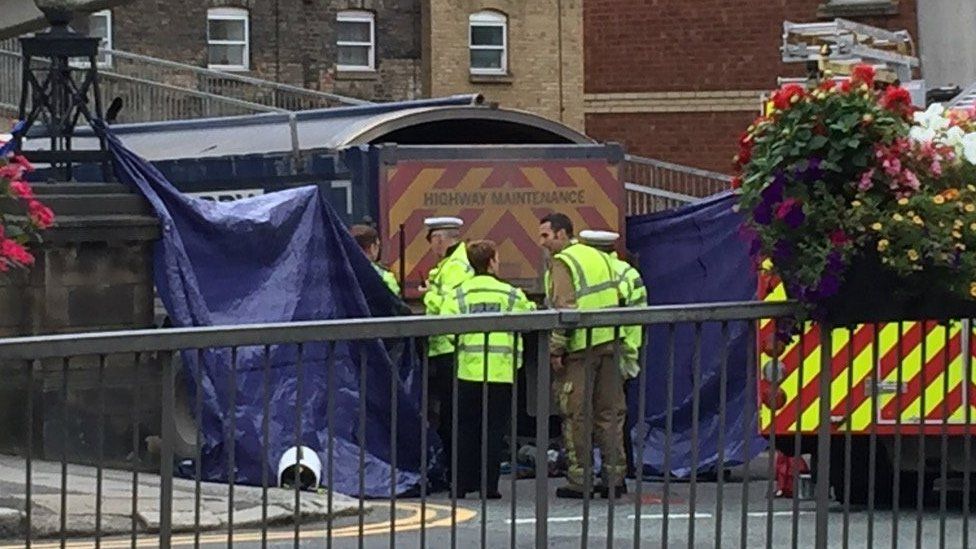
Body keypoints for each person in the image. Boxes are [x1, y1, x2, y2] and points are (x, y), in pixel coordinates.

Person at [441, 240, 535, 498]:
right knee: (493, 431)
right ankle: (489, 487)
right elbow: (529, 319)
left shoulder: (458, 294)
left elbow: (446, 329)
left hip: (468, 373)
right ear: (492, 261)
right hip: (500, 373)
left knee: (465, 430)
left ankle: (459, 486)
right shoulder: (510, 294)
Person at [544, 218, 628, 499]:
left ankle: (581, 480)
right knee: (610, 413)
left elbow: (566, 309)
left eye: (546, 235)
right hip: (609, 343)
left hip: (581, 349)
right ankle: (614, 478)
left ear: (562, 234)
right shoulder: (598, 256)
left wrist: (556, 348)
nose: (542, 242)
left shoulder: (563, 261)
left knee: (576, 414)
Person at [579, 229, 647, 478]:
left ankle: (590, 471)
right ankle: (621, 469)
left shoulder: (590, 271)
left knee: (587, 411)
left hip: (592, 346)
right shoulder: (629, 273)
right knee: (616, 414)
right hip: (626, 348)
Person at [420, 216, 474, 477]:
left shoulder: (455, 267)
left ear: (440, 239)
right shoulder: (452, 264)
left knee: (453, 414)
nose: (432, 247)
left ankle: (456, 472)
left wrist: (429, 292)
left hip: (450, 347)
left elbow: (447, 308)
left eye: (432, 241)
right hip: (447, 347)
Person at [349, 224, 401, 296]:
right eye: (378, 245)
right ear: (372, 247)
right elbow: (394, 305)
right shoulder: (385, 277)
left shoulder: (336, 272)